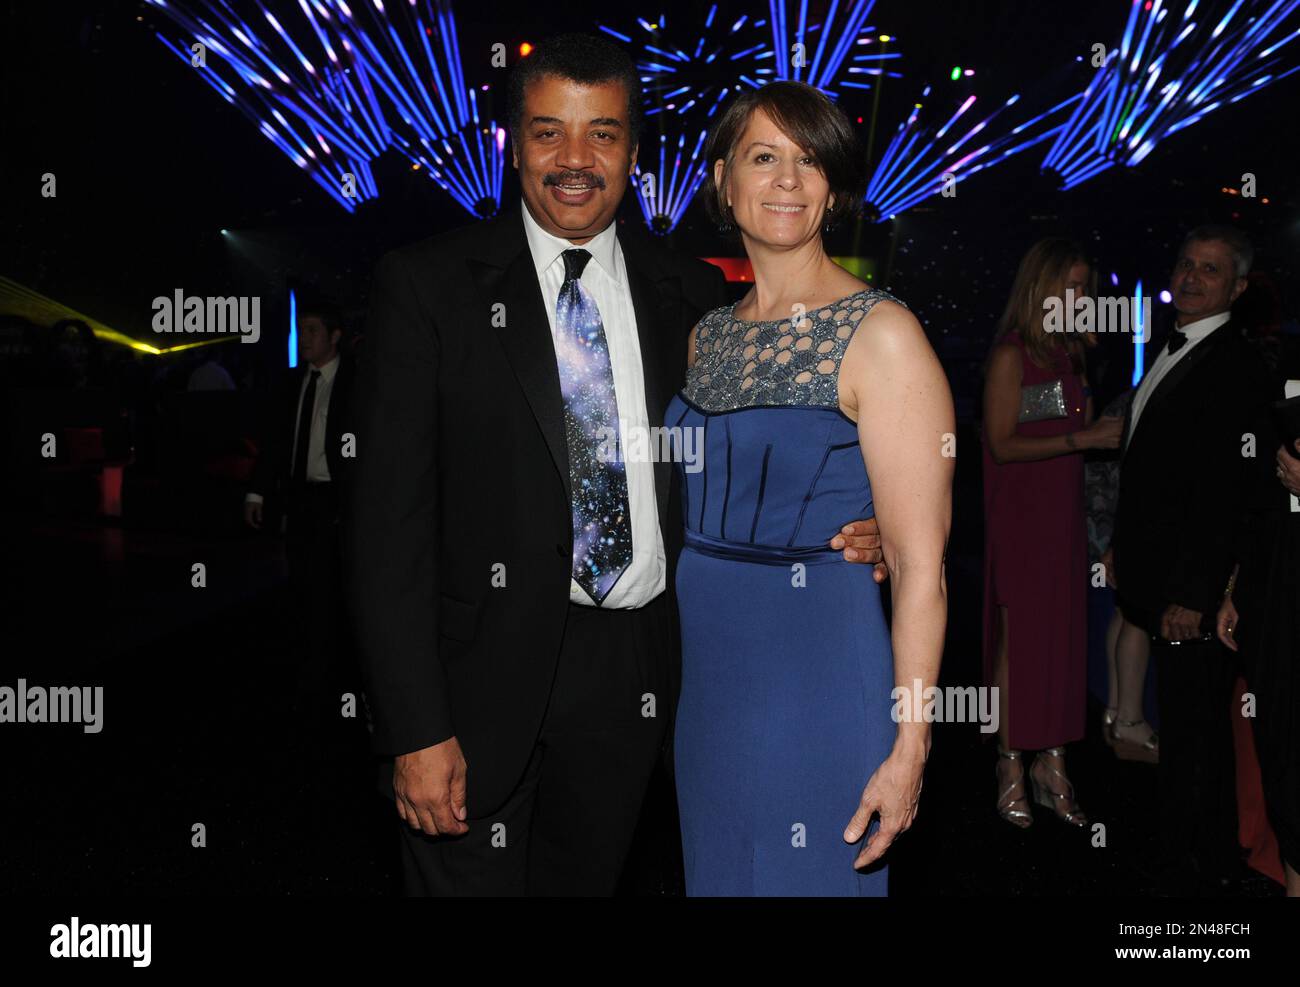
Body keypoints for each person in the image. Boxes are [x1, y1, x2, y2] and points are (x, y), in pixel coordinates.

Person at [343, 35, 884, 897]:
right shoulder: (427, 287)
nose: (574, 160)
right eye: (548, 131)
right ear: (513, 141)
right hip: (472, 681)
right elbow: (385, 531)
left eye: (603, 134)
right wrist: (412, 726)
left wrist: (867, 524)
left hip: (637, 673)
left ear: (634, 151)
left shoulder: (696, 299)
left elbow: (769, 454)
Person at [667, 80, 952, 896]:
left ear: (832, 186)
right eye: (763, 157)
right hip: (710, 689)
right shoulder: (708, 334)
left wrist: (911, 747)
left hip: (819, 673)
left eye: (809, 160)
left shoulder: (884, 335)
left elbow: (921, 564)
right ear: (723, 179)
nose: (788, 180)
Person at [1112, 225, 1279, 894]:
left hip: (1192, 592)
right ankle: (1187, 852)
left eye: (1209, 270)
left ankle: (1194, 870)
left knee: (1195, 732)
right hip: (1162, 574)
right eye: (1185, 263)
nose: (1190, 276)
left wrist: (1194, 593)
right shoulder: (1172, 345)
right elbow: (1156, 473)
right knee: (1186, 726)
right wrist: (1124, 545)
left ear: (1237, 288)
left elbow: (1225, 493)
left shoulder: (1234, 363)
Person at [981, 238, 1122, 829]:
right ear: (1039, 287)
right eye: (1070, 285)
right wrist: (1082, 439)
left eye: (1086, 287)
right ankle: (1010, 762)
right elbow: (1001, 444)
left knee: (1062, 642)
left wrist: (1087, 355)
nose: (1080, 296)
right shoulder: (1012, 354)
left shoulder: (1073, 357)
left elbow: (1081, 429)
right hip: (1020, 518)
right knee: (1022, 644)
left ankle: (1053, 760)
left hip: (1061, 518)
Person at [244, 299, 357, 728]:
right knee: (302, 584)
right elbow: (275, 441)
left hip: (337, 502)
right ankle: (310, 675)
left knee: (333, 590)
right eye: (301, 330)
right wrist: (256, 493)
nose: (303, 338)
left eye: (312, 330)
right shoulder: (291, 383)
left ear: (334, 336)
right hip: (300, 500)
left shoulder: (356, 380)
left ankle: (334, 679)